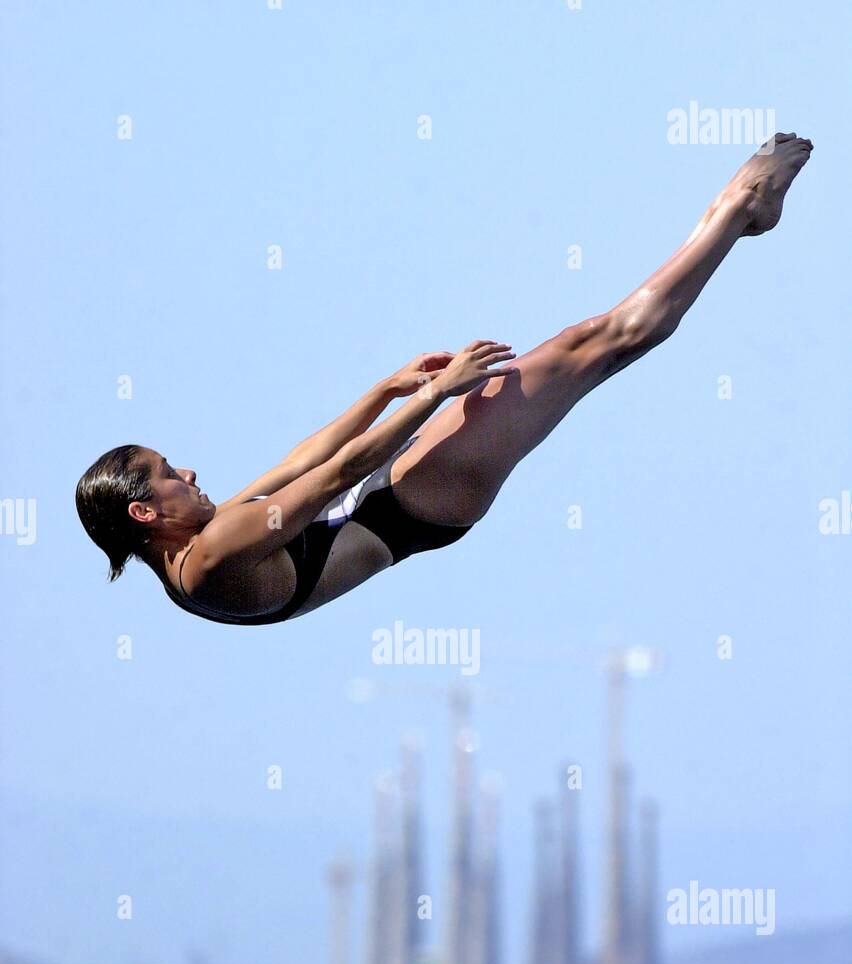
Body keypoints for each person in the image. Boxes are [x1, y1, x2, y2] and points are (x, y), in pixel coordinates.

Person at [75, 134, 813, 627]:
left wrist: (385, 390)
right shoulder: (208, 561)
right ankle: (739, 213)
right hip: (408, 504)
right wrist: (438, 392)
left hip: (388, 503)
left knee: (584, 348)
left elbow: (300, 464)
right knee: (593, 347)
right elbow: (341, 471)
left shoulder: (194, 549)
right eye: (167, 472)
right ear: (145, 513)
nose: (189, 470)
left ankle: (733, 218)